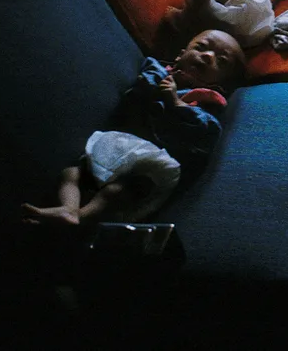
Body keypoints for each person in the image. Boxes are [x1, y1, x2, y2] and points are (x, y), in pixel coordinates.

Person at [21, 29, 244, 227]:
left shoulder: (206, 104)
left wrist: (176, 102)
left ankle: (82, 216)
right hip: (117, 145)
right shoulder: (156, 70)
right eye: (202, 47)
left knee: (115, 192)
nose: (207, 56)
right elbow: (139, 89)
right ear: (180, 54)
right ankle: (68, 208)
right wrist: (162, 82)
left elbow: (206, 130)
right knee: (71, 172)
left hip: (150, 164)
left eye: (221, 61)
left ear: (219, 85)